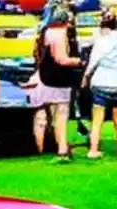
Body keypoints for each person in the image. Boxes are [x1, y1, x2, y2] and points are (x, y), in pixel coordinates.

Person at [82, 10, 117, 159]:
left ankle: (93, 150)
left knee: (97, 120)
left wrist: (85, 77)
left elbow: (93, 62)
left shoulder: (101, 41)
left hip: (99, 82)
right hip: (116, 83)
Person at [34, 6, 80, 161]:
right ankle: (62, 150)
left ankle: (39, 148)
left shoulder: (44, 33)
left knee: (42, 114)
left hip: (43, 77)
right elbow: (61, 59)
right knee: (61, 115)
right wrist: (79, 61)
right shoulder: (60, 34)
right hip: (58, 80)